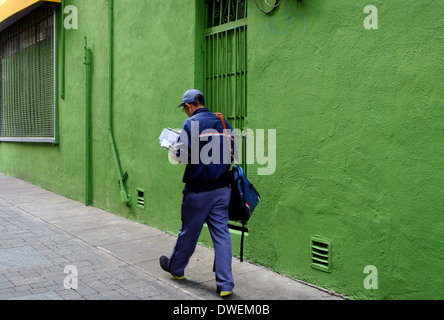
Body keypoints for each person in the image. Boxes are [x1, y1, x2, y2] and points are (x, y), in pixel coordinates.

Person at [159, 89, 235, 297]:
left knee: (189, 233)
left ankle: (176, 268)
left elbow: (183, 157)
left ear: (189, 106)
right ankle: (225, 284)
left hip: (198, 191)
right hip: (222, 190)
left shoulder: (190, 124)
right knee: (222, 235)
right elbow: (233, 151)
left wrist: (172, 148)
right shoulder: (223, 122)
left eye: (184, 108)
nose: (185, 112)